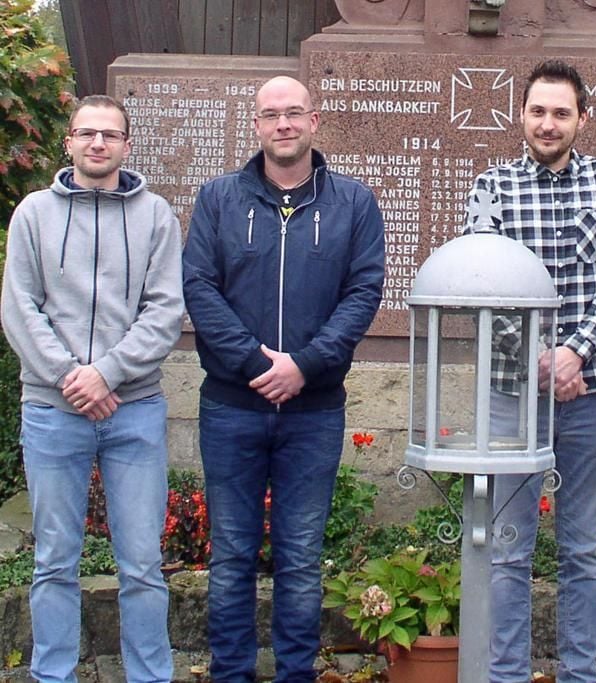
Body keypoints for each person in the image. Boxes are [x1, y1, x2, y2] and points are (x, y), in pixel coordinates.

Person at [182, 75, 385, 682]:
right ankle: (231, 674)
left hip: (313, 410)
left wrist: (305, 365)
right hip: (231, 407)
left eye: (294, 113)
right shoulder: (218, 198)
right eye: (271, 115)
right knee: (233, 557)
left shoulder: (353, 203)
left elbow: (363, 290)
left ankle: (296, 674)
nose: (284, 125)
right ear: (257, 125)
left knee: (300, 558)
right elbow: (199, 287)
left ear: (314, 120)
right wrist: (255, 365)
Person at [463, 58, 596, 683]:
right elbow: (480, 285)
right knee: (508, 549)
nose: (548, 122)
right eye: (537, 110)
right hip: (513, 392)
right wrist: (540, 359)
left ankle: (579, 674)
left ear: (582, 119)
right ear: (521, 115)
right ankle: (507, 674)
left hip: (590, 393)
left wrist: (577, 351)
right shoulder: (492, 187)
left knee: (583, 551)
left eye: (561, 112)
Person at [1, 94, 183, 683]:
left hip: (134, 411)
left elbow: (163, 312)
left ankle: (149, 676)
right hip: (53, 414)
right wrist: (70, 378)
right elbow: (20, 308)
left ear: (127, 145)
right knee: (54, 561)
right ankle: (52, 675)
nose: (98, 143)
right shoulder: (32, 213)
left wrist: (106, 374)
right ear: (70, 142)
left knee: (143, 563)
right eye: (87, 133)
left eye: (110, 134)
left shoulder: (156, 215)